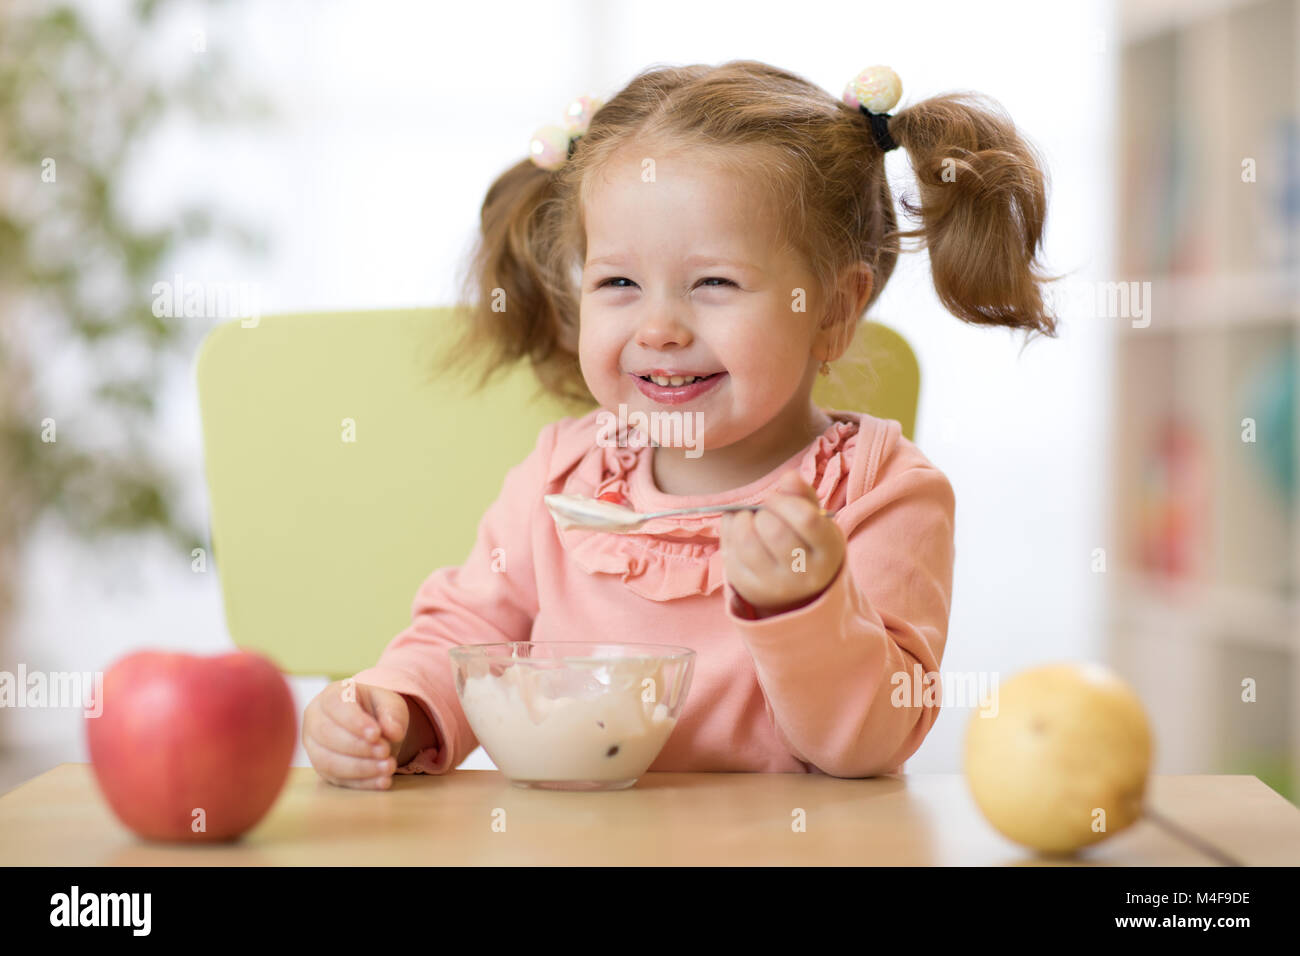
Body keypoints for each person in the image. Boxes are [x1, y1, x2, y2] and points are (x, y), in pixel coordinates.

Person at [302, 60, 1057, 787]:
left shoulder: (881, 493)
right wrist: (397, 706)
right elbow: (464, 636)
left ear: (831, 310)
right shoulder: (563, 477)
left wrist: (805, 603)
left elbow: (868, 742)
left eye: (714, 283)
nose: (659, 327)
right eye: (619, 282)